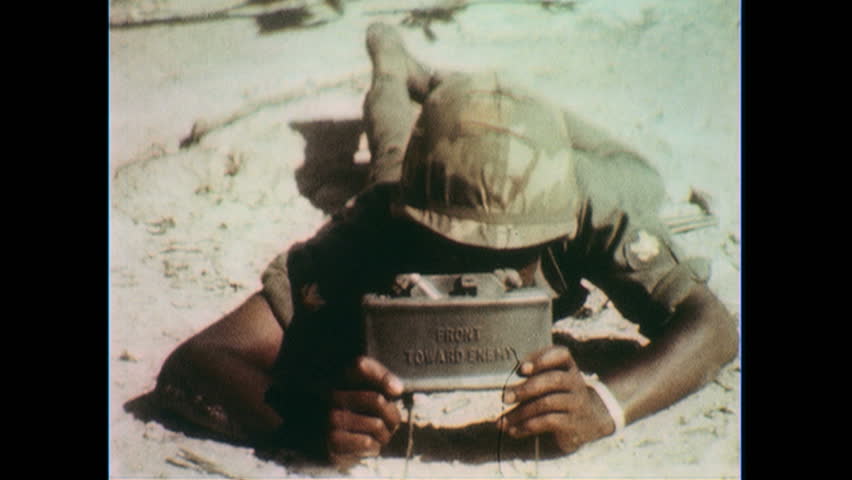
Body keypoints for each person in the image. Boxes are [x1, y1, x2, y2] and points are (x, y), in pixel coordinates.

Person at [152, 23, 739, 467]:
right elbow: (196, 364)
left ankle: (444, 84)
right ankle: (392, 66)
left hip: (577, 169)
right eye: (460, 249)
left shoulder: (589, 202)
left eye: (515, 253)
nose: (485, 273)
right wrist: (310, 419)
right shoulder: (387, 218)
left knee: (638, 171)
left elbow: (713, 327)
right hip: (418, 178)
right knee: (391, 141)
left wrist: (604, 408)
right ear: (414, 219)